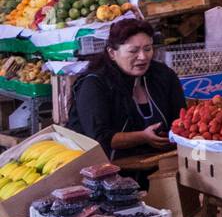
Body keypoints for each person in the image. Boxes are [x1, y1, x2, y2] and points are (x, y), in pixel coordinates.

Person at [68, 18, 186, 166]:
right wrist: (143, 137)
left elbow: (181, 117)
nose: (143, 57)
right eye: (133, 51)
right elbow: (99, 137)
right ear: (112, 53)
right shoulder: (94, 84)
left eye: (148, 49)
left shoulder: (163, 75)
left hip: (163, 164)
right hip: (110, 170)